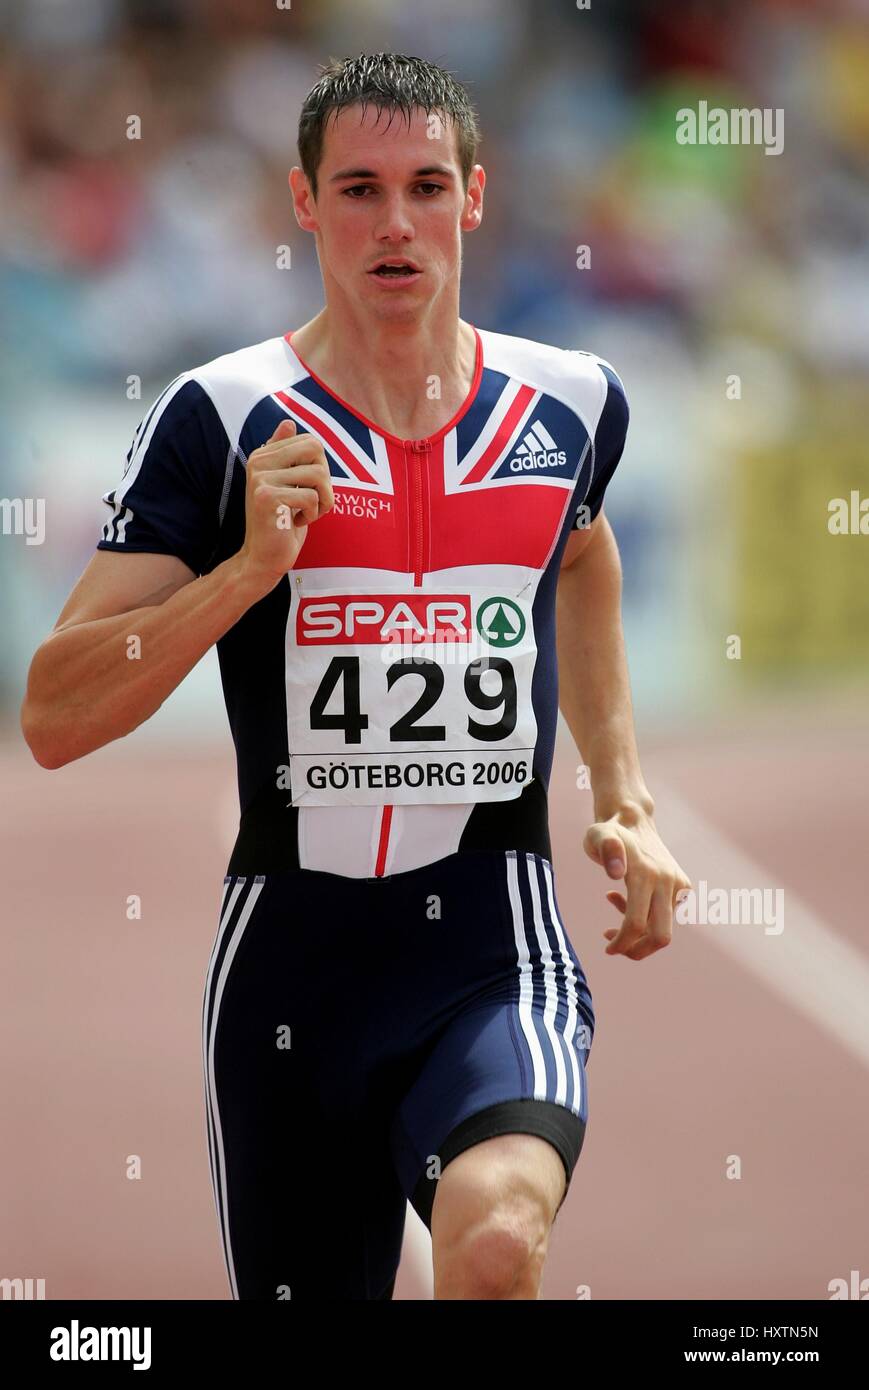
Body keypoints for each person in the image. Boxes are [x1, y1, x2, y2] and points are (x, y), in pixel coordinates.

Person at [21, 51, 691, 1301]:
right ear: (302, 203)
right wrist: (237, 576)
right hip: (292, 961)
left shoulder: (570, 403)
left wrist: (622, 798)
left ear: (474, 199)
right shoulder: (220, 419)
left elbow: (582, 555)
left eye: (426, 188)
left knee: (492, 1244)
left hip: (495, 939)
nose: (395, 224)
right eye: (360, 189)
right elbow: (53, 714)